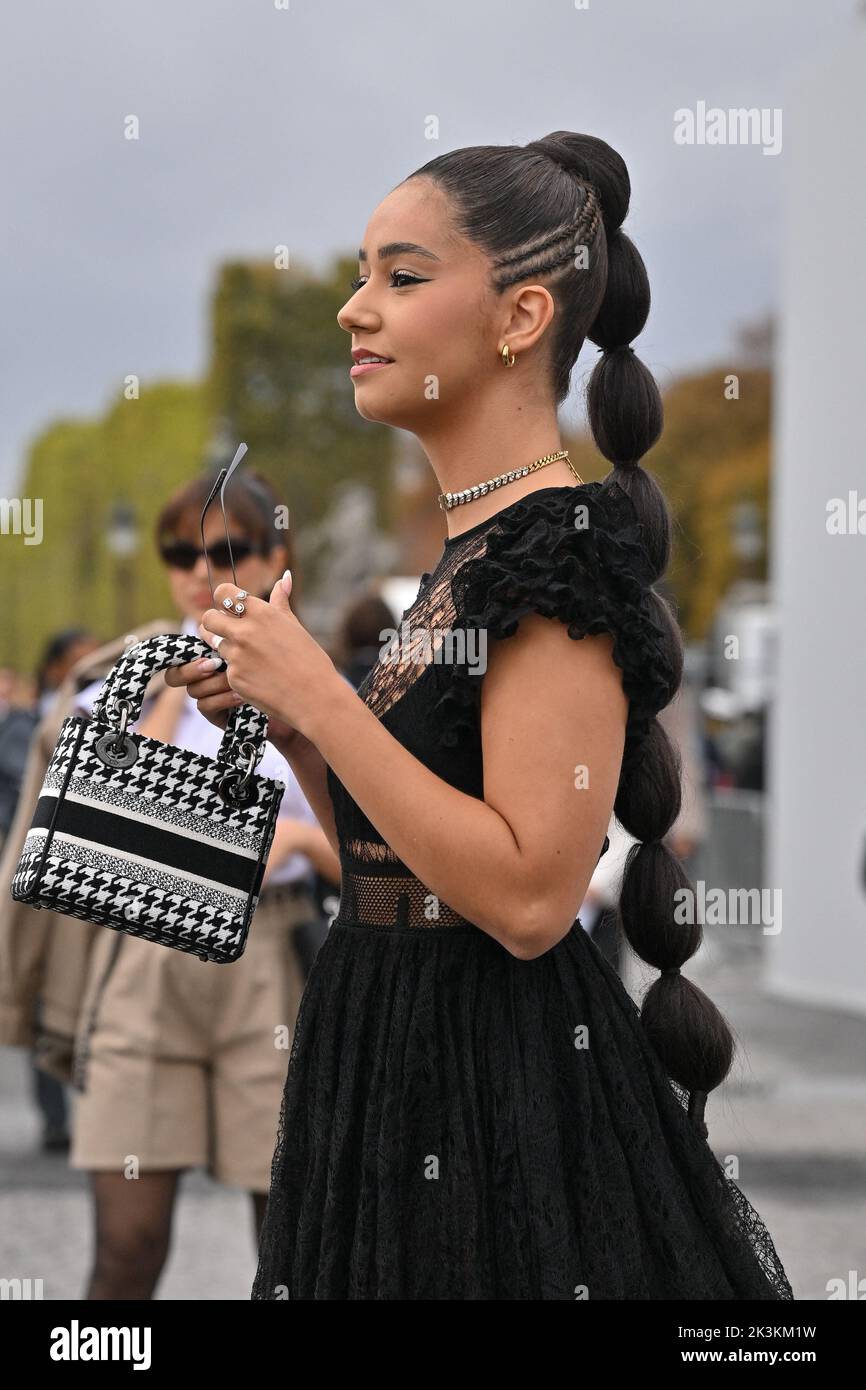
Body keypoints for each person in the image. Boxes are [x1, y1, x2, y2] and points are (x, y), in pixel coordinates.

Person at [167, 132, 794, 1299]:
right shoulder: (471, 552)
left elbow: (522, 898)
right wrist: (296, 723)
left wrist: (314, 688)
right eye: (361, 274)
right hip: (386, 1037)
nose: (354, 309)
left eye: (400, 277)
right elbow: (390, 852)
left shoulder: (556, 552)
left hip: (486, 1068)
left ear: (519, 317)